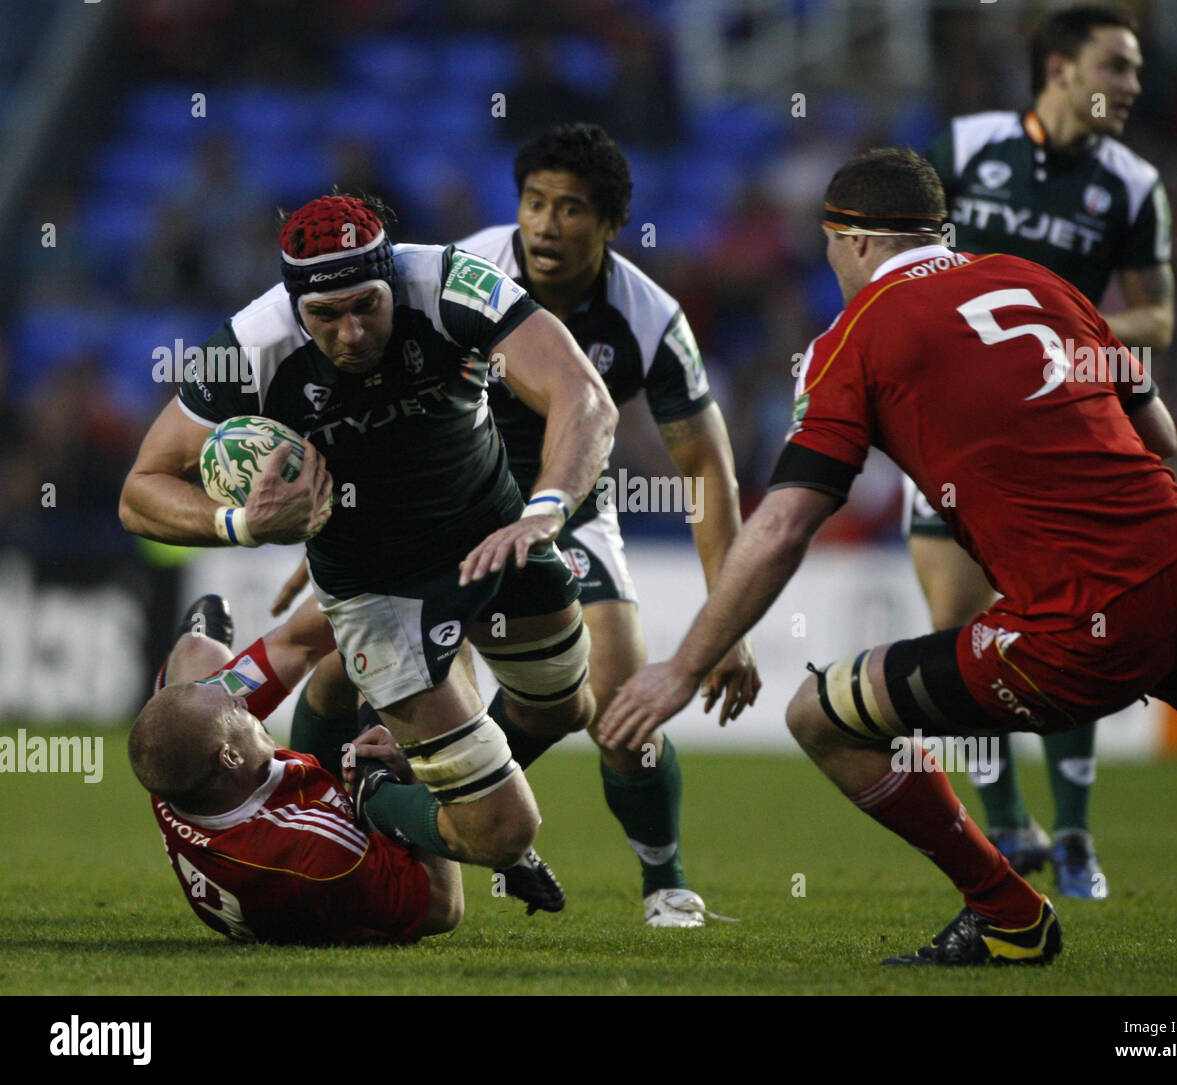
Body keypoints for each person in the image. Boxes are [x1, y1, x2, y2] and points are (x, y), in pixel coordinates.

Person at [600, 149, 1177, 965]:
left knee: (820, 715)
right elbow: (1163, 435)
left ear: (852, 239)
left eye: (829, 247)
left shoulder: (854, 336)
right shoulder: (1039, 281)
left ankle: (1010, 914)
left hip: (1081, 626)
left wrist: (686, 663)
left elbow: (787, 521)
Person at [279, 125, 760, 927]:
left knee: (618, 706)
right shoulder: (456, 272)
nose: (544, 224)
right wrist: (337, 520)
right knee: (338, 670)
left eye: (570, 209)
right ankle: (327, 814)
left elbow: (706, 470)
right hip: (433, 504)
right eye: (534, 202)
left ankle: (662, 879)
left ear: (610, 226)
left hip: (559, 508)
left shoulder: (649, 317)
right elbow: (352, 386)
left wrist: (730, 621)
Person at [120, 192, 617, 885]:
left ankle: (404, 762)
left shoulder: (447, 285)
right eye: (325, 315)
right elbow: (140, 489)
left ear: (393, 276)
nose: (350, 332)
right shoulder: (252, 345)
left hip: (496, 530)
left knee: (566, 705)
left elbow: (583, 394)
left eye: (366, 306)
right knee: (502, 832)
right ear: (296, 306)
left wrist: (548, 507)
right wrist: (240, 524)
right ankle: (373, 793)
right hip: (377, 585)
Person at [912, 3, 1175, 895]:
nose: (1133, 85)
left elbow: (1160, 315)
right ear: (1060, 68)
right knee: (957, 624)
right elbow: (903, 258)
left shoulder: (1134, 184)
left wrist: (1051, 329)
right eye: (1118, 66)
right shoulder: (966, 145)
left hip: (1064, 436)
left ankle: (1073, 835)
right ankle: (1007, 826)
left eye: (1137, 69)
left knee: (1073, 627)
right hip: (949, 429)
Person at [131, 595, 464, 945]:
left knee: (196, 650)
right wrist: (422, 767)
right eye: (236, 707)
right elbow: (443, 908)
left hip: (256, 798)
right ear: (230, 757)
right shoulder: (315, 852)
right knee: (418, 647)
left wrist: (359, 578)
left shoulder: (173, 768)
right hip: (334, 844)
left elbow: (297, 640)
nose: (245, 701)